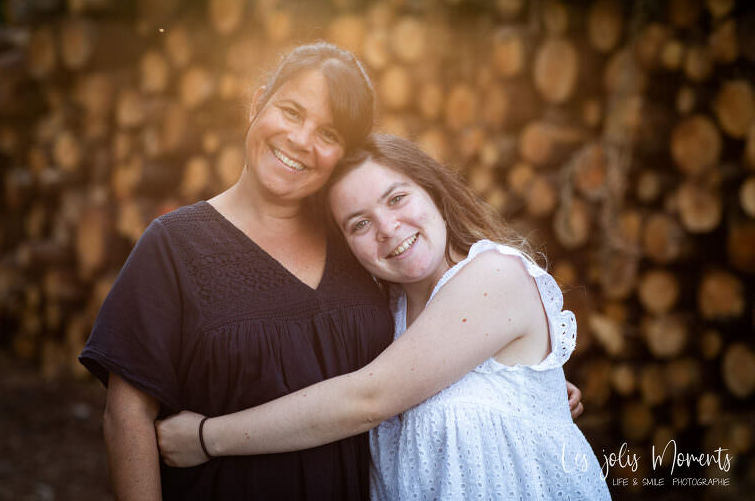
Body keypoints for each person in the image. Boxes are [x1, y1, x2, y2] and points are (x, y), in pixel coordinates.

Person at [155, 134, 609, 500]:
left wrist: (205, 438)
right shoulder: (382, 321)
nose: (388, 228)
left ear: (432, 190)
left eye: (396, 199)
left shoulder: (494, 274)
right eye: (359, 224)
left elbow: (366, 400)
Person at [79, 42, 396, 500]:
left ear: (342, 155)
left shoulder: (358, 241)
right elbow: (126, 418)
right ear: (257, 102)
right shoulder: (173, 245)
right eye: (291, 111)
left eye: (328, 134)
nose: (302, 140)